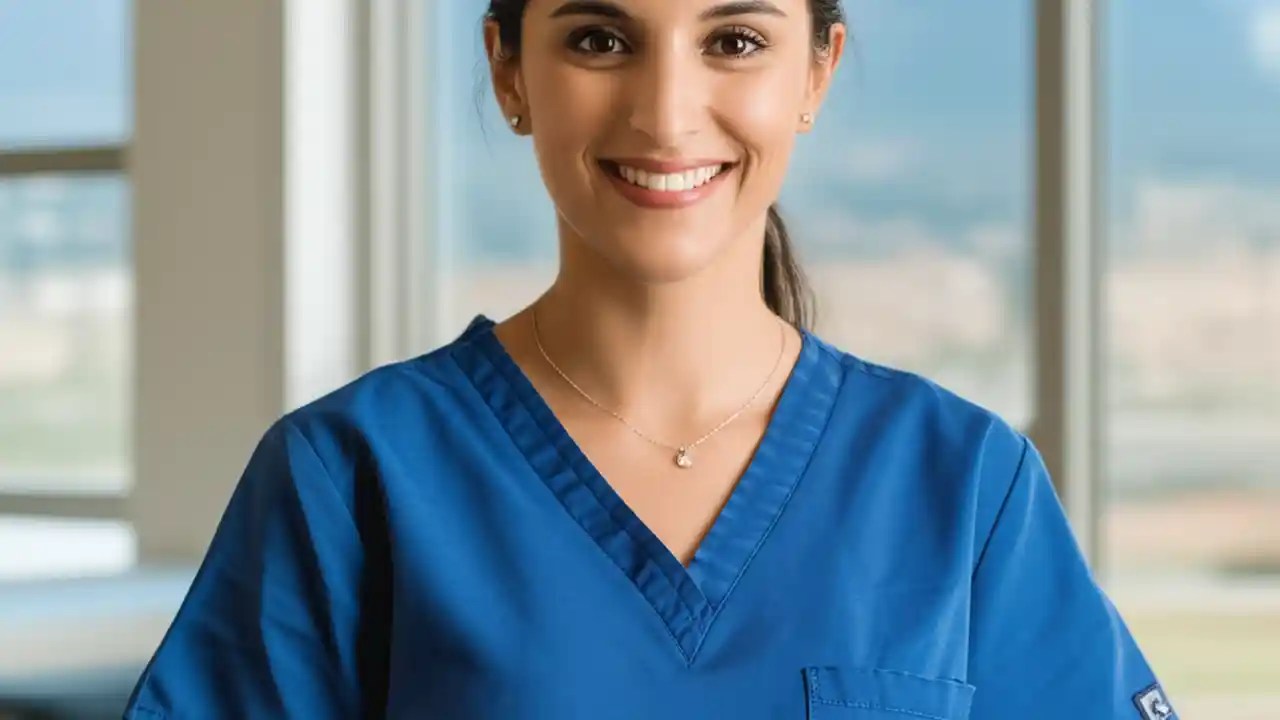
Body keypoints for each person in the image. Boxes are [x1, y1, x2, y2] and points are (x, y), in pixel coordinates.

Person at [122, 1, 1177, 718]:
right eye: (596, 39)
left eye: (732, 41)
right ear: (506, 69)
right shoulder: (351, 477)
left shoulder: (962, 484)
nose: (666, 116)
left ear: (817, 70)